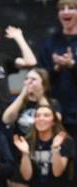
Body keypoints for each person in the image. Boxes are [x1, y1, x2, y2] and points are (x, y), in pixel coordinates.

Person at [39, 0, 77, 139]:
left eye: (71, 8)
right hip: (56, 111)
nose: (66, 11)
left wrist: (72, 65)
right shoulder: (49, 42)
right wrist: (56, 68)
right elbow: (42, 78)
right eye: (62, 9)